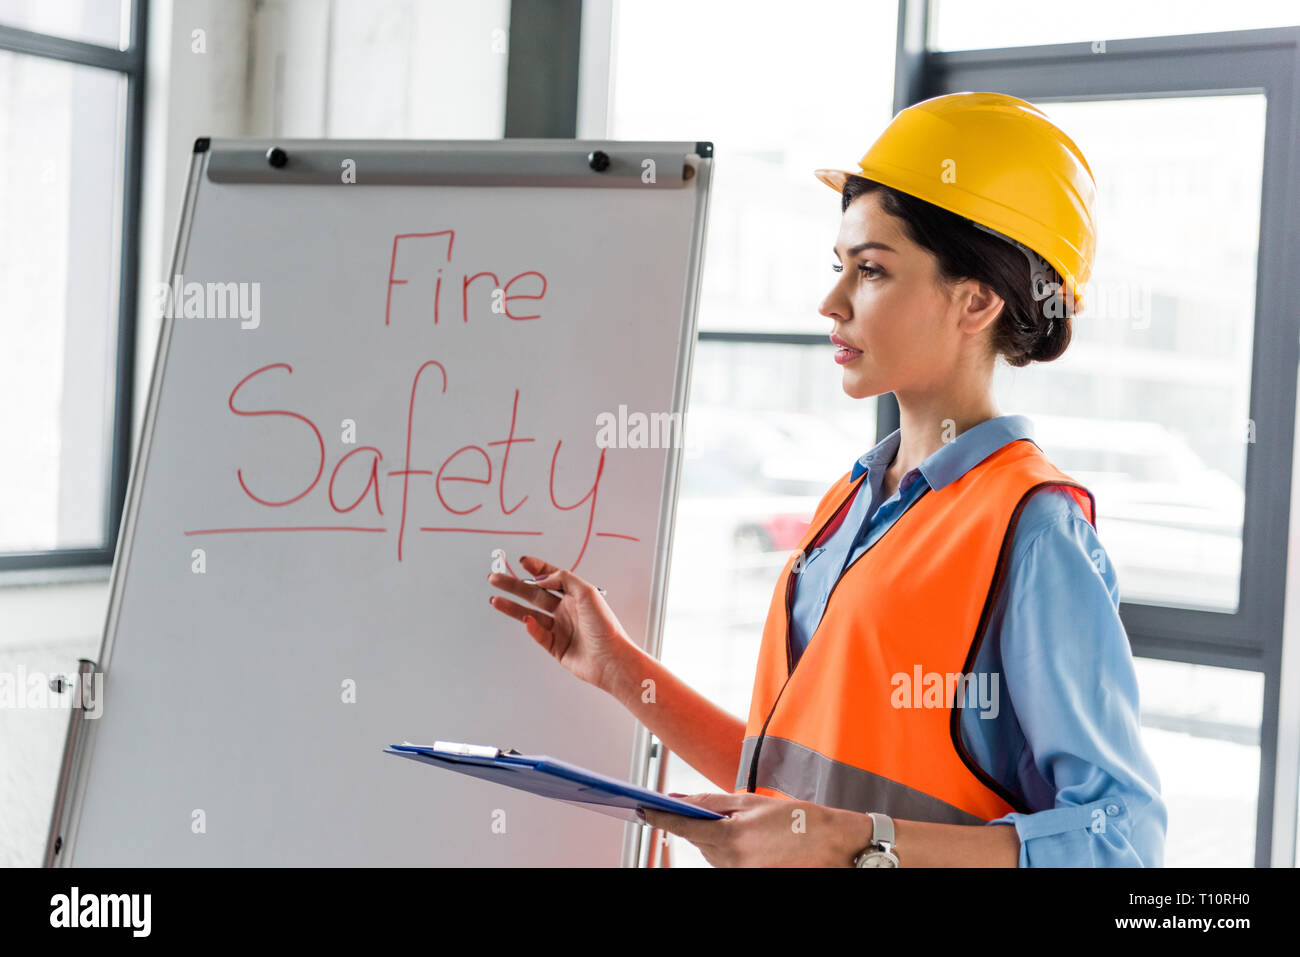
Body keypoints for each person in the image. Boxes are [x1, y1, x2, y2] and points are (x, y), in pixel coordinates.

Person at [487, 92, 1167, 867]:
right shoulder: (850, 502)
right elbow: (794, 780)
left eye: (871, 270)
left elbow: (1122, 841)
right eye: (839, 266)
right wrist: (621, 670)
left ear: (976, 298)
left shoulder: (1033, 528)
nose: (831, 301)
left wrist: (861, 843)